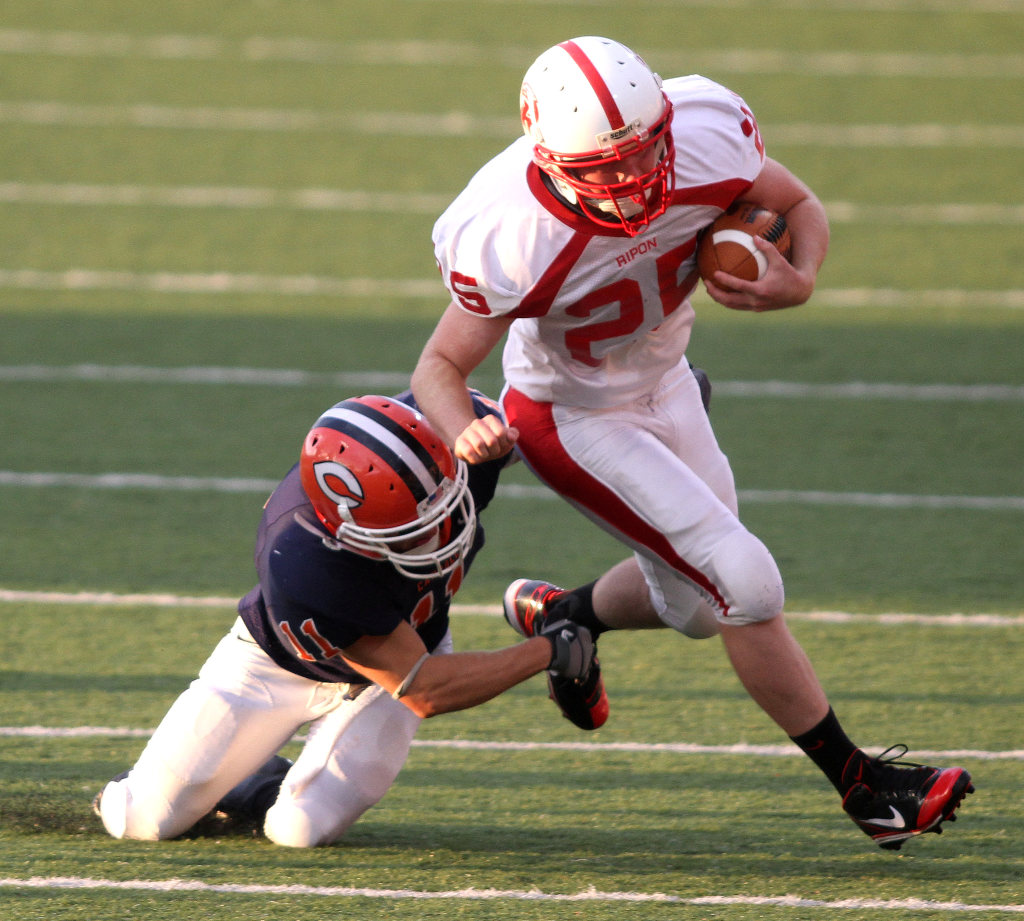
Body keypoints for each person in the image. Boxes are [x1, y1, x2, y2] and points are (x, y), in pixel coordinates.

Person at [410, 36, 973, 851]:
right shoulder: (511, 229)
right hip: (571, 415)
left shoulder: (705, 132)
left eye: (647, 148)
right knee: (742, 579)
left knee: (700, 608)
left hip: (667, 377)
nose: (637, 175)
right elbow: (439, 364)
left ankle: (566, 616)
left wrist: (800, 278)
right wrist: (465, 425)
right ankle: (865, 787)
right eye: (609, 166)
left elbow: (802, 204)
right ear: (554, 161)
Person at [92, 390, 594, 847]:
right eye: (409, 529)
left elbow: (549, 401)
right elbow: (425, 689)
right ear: (347, 531)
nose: (440, 531)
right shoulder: (306, 563)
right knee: (141, 821)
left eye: (442, 502)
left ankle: (254, 778)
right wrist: (552, 648)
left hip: (403, 653)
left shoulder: (447, 437)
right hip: (280, 665)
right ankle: (248, 776)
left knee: (298, 829)